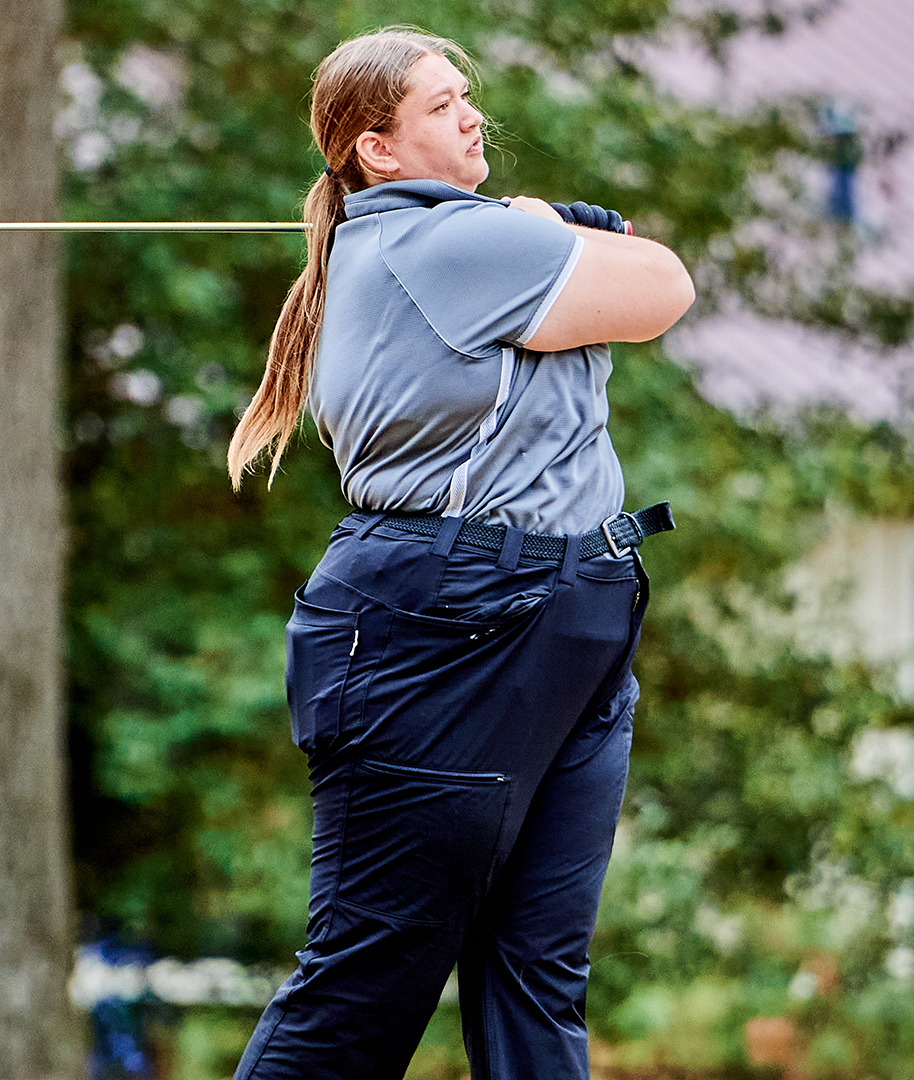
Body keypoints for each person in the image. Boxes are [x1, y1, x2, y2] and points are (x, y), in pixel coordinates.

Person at [224, 26, 695, 1080]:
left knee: (537, 978)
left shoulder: (438, 240)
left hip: (570, 614)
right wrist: (546, 221)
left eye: (464, 95)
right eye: (441, 107)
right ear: (378, 152)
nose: (473, 114)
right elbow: (663, 283)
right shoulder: (450, 245)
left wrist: (541, 225)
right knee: (368, 979)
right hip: (455, 623)